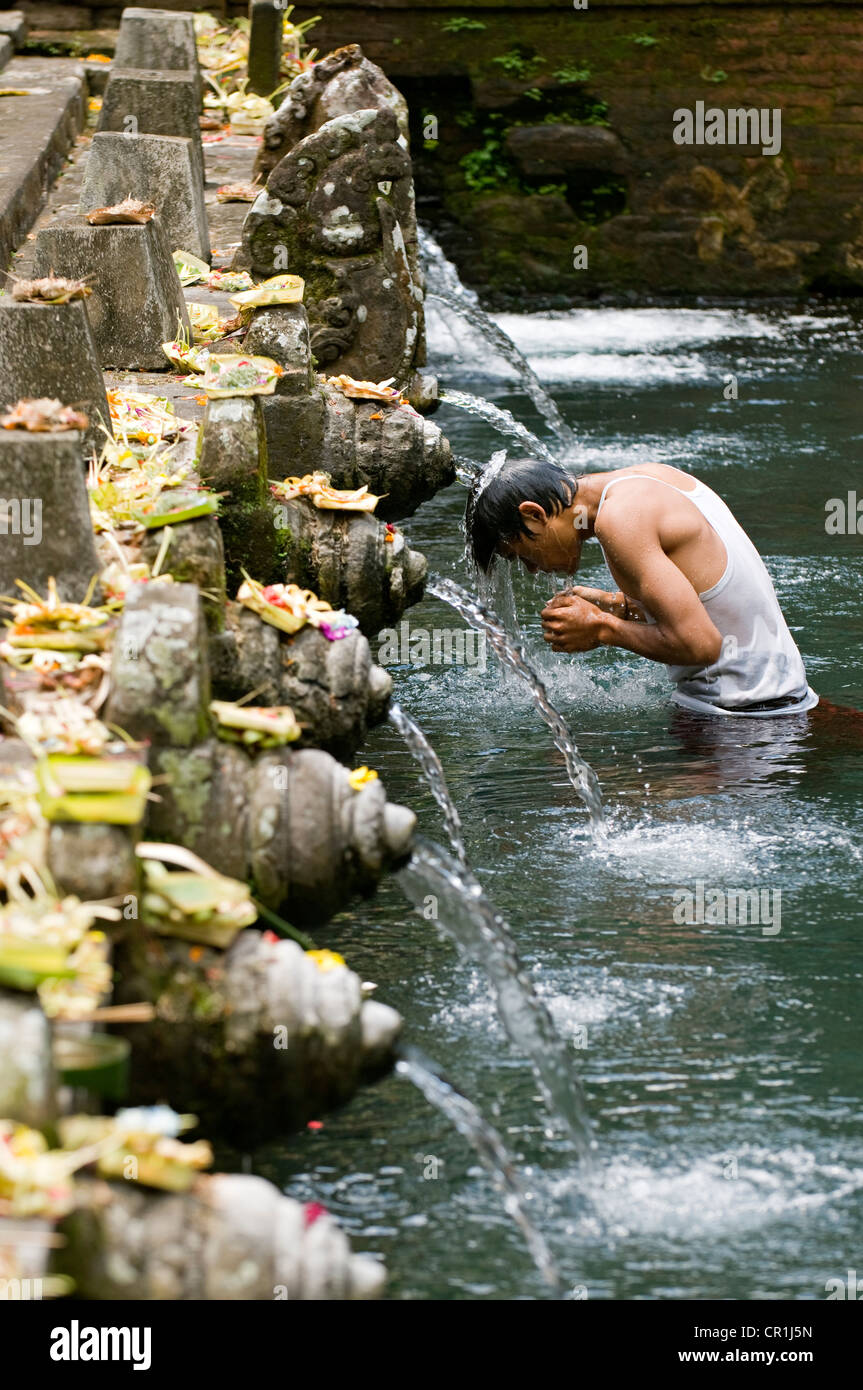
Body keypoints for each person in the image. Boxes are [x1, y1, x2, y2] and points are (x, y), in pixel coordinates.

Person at [465, 457, 818, 718]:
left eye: (519, 554)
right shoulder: (648, 478)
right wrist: (612, 604)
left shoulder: (620, 520)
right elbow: (709, 603)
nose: (530, 569)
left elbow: (702, 645)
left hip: (743, 723)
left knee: (569, 795)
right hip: (788, 699)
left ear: (534, 515)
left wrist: (601, 628)